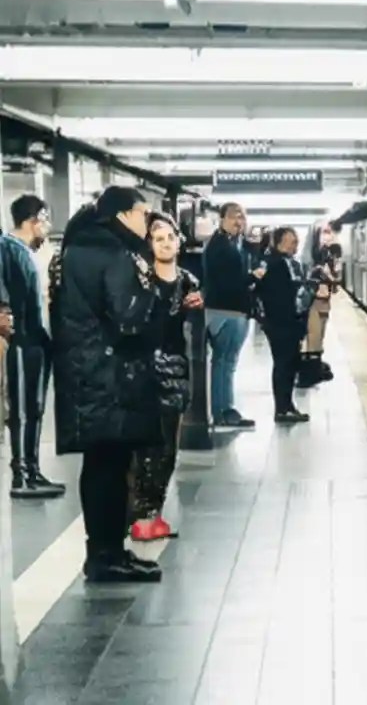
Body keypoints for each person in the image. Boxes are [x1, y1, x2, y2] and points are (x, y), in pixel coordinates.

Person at [51, 187, 196, 583]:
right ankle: (106, 556)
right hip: (110, 376)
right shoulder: (113, 253)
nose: (145, 222)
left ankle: (106, 552)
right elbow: (129, 317)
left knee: (102, 465)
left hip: (88, 373)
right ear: (123, 214)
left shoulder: (78, 248)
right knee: (109, 468)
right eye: (142, 213)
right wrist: (154, 291)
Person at [129, 213, 202, 542]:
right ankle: (141, 513)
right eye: (158, 238)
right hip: (141, 369)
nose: (166, 243)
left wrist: (197, 309)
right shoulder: (138, 279)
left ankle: (152, 512)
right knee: (143, 444)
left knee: (167, 448)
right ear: (149, 244)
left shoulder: (188, 281)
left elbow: (193, 330)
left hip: (175, 369)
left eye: (170, 237)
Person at [2, 195, 64, 498]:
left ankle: (32, 469)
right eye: (46, 219)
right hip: (23, 340)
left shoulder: (26, 253)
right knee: (24, 409)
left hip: (36, 339)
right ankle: (22, 474)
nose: (48, 226)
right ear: (34, 219)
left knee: (34, 407)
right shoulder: (8, 250)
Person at [201, 202, 262, 430]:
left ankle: (226, 409)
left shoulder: (229, 244)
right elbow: (230, 282)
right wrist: (253, 277)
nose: (239, 222)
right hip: (226, 311)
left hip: (230, 310)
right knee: (224, 362)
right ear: (222, 219)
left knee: (227, 362)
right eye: (235, 217)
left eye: (242, 217)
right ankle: (222, 411)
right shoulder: (220, 246)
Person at [257, 228, 317, 423]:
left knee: (289, 364)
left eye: (296, 241)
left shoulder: (287, 263)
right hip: (281, 323)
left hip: (289, 323)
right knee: (284, 365)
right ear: (279, 242)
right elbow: (275, 295)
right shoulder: (274, 264)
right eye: (291, 242)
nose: (295, 245)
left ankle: (287, 406)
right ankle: (282, 409)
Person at [297, 219, 340, 388]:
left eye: (329, 232)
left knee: (319, 336)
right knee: (312, 337)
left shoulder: (326, 254)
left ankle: (314, 369)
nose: (328, 236)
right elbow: (308, 279)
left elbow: (335, 281)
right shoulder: (310, 258)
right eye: (324, 232)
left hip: (324, 300)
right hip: (312, 302)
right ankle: (307, 374)